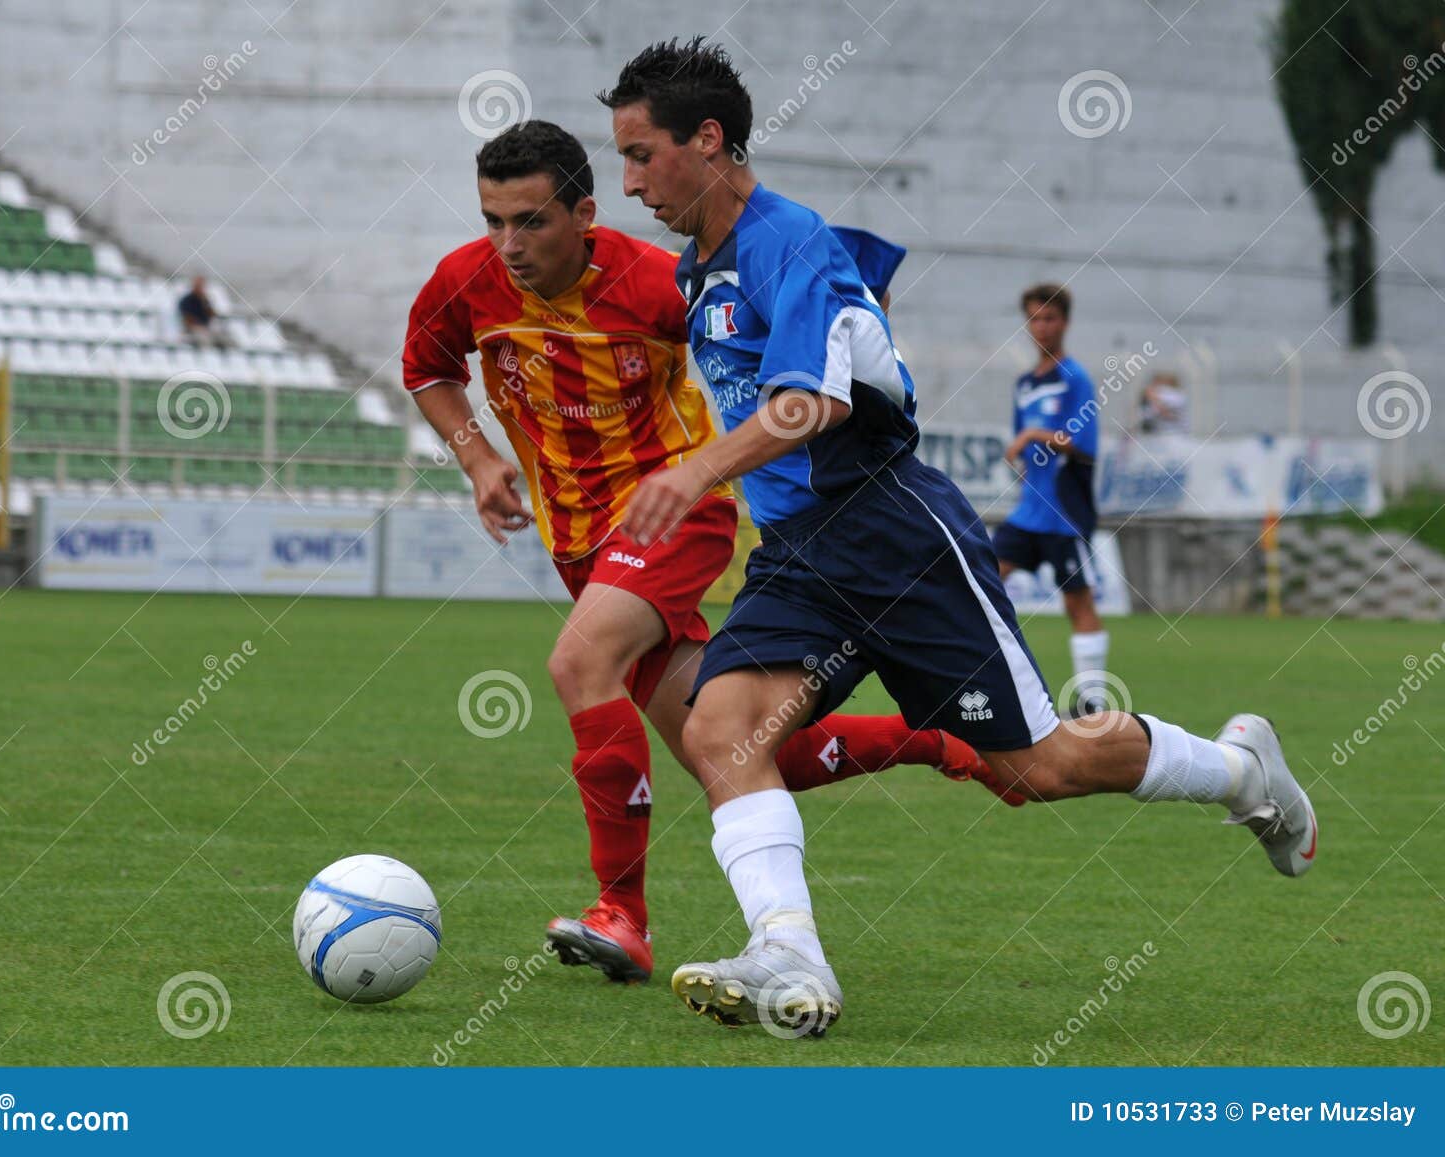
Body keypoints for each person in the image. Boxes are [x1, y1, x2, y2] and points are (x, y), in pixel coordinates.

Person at [601, 37, 1317, 1035]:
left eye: (641, 155)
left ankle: (1243, 772)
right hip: (804, 558)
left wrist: (690, 471)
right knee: (720, 727)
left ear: (709, 140)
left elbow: (811, 404)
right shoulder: (702, 269)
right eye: (621, 160)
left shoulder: (789, 241)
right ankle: (789, 953)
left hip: (897, 537)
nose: (630, 182)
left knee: (1041, 766)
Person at [401, 120, 1016, 986]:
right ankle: (940, 741)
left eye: (530, 221)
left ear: (584, 214)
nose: (508, 244)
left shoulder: (656, 283)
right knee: (735, 745)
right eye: (493, 220)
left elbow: (766, 320)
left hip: (674, 518)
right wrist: (475, 456)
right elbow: (426, 364)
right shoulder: (467, 281)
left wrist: (834, 336)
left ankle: (623, 914)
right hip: (579, 543)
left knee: (579, 665)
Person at [992, 283, 1109, 715]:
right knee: (984, 582)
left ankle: (1094, 701)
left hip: (1065, 516)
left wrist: (1034, 436)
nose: (1041, 327)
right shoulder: (1025, 383)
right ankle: (1000, 686)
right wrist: (1021, 451)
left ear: (1065, 322)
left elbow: (1083, 444)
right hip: (1028, 512)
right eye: (1034, 319)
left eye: (1050, 318)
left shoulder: (1074, 378)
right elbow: (1023, 441)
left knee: (1078, 602)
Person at [177, 276, 225, 345]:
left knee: (221, 336)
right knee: (204, 338)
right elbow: (187, 317)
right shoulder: (186, 300)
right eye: (198, 286)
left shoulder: (204, 299)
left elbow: (211, 313)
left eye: (201, 286)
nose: (201, 288)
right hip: (193, 328)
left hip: (206, 327)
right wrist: (199, 325)